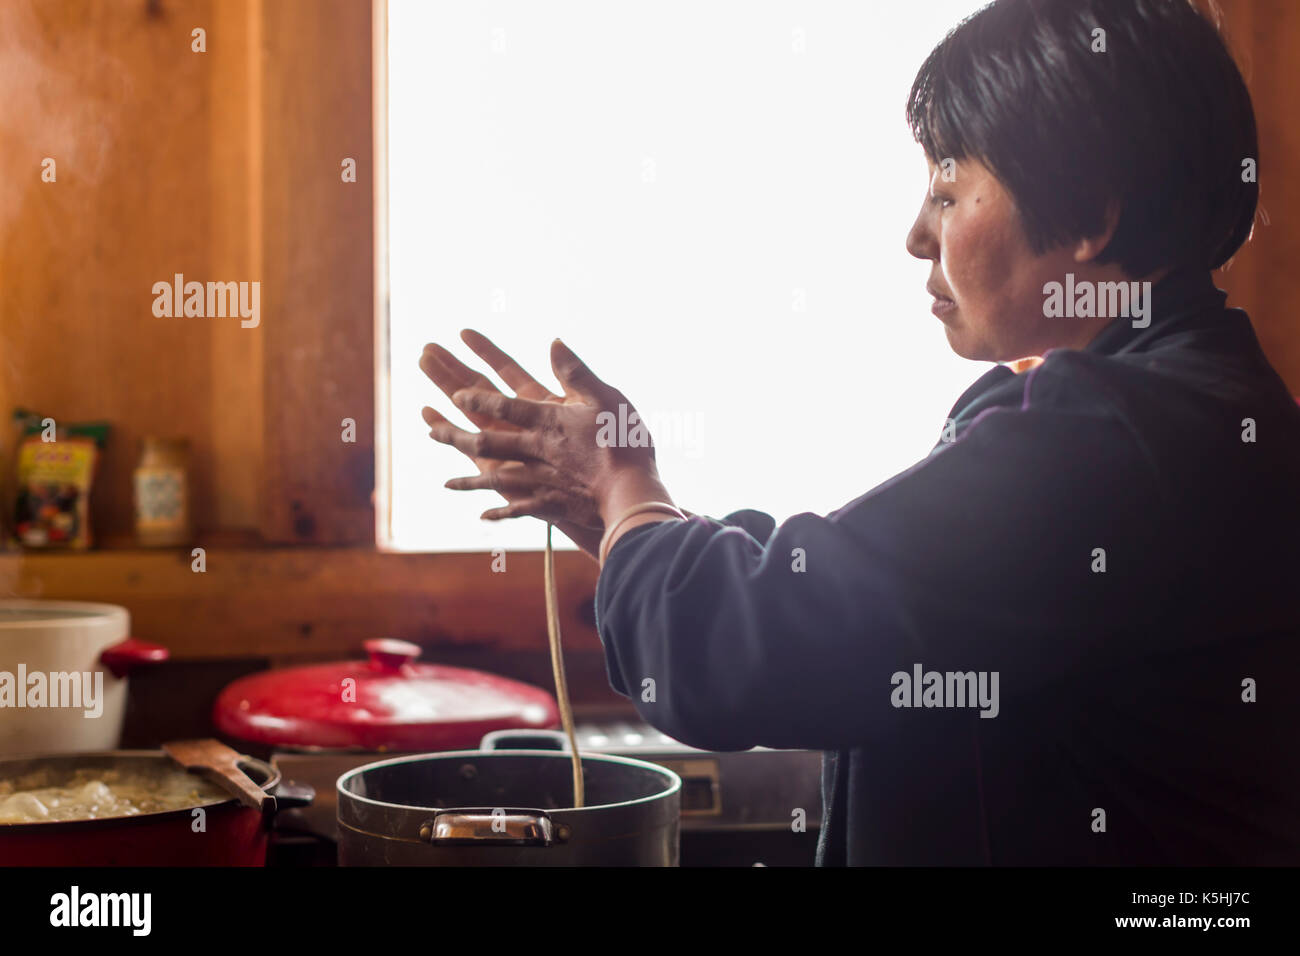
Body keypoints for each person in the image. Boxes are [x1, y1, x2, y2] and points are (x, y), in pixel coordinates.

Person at [420, 0, 1300, 865]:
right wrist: (611, 508)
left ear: (1093, 215)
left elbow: (740, 652)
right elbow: (852, 596)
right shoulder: (1193, 409)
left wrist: (622, 489)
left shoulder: (1114, 439)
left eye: (949, 192)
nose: (918, 235)